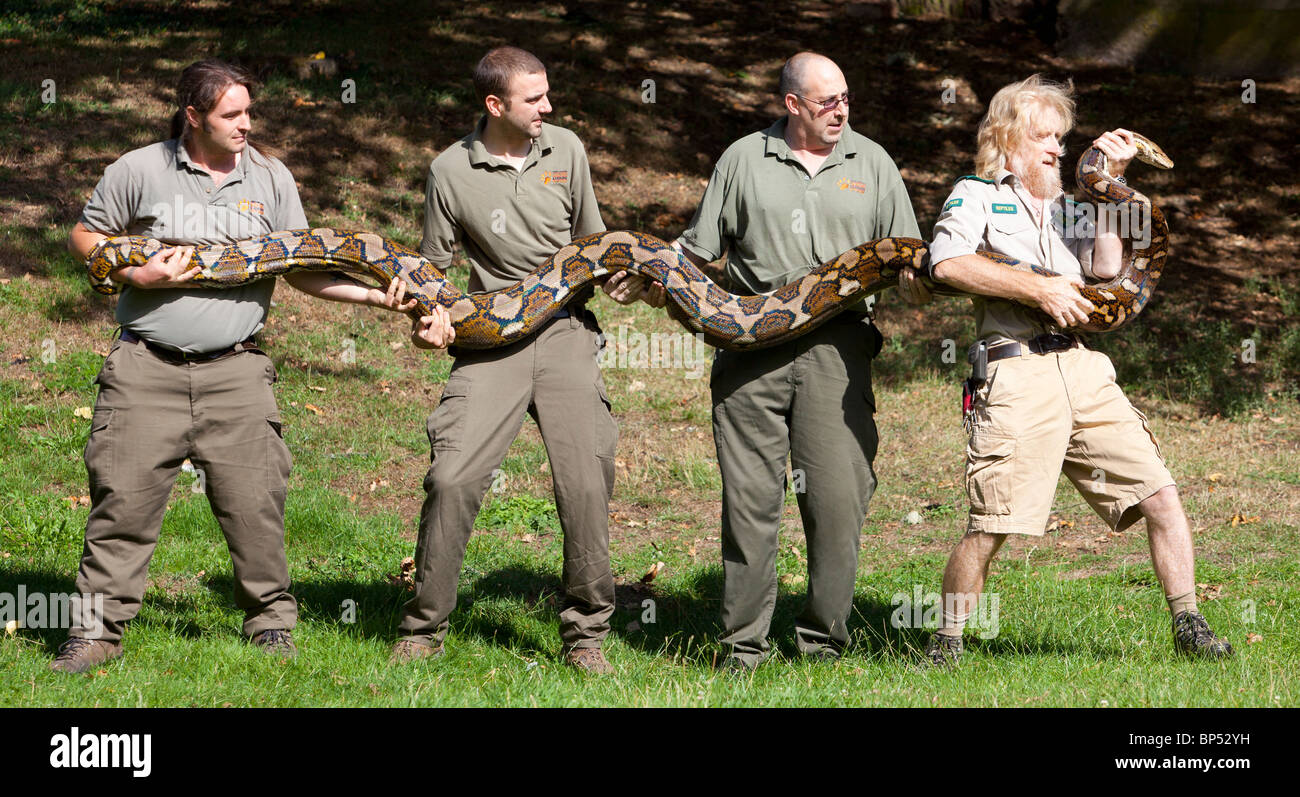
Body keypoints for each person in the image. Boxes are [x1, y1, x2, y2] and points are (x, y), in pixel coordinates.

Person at [53, 59, 453, 674]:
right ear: (194, 117)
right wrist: (138, 272)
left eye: (248, 112)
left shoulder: (270, 179)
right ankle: (96, 635)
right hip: (144, 367)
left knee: (254, 506)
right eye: (230, 115)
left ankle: (270, 624)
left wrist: (378, 295)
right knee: (122, 505)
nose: (246, 125)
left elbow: (301, 266)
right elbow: (87, 236)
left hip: (237, 371)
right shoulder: (139, 168)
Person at [923, 74, 1232, 665]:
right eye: (1044, 136)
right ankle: (946, 647)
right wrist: (1038, 290)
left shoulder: (1071, 204)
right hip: (1016, 372)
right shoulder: (975, 194)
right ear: (1007, 137)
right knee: (994, 522)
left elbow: (1105, 270)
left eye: (1062, 139)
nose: (1056, 149)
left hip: (1084, 366)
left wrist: (1113, 187)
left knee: (1160, 494)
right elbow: (947, 263)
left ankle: (1189, 626)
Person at [390, 46, 660, 673]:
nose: (548, 106)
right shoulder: (448, 170)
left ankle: (586, 632)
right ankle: (424, 624)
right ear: (495, 105)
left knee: (587, 481)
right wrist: (425, 324)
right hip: (490, 339)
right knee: (452, 477)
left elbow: (593, 245)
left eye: (547, 95)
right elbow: (432, 272)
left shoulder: (565, 149)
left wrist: (625, 279)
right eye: (534, 98)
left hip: (565, 331)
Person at [675, 52, 928, 671]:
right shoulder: (742, 159)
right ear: (792, 105)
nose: (841, 110)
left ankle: (824, 644)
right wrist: (649, 274)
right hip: (750, 352)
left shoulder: (872, 163)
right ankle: (742, 649)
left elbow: (909, 254)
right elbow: (697, 252)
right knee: (750, 502)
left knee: (839, 498)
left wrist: (918, 280)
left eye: (845, 98)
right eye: (826, 102)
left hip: (837, 349)